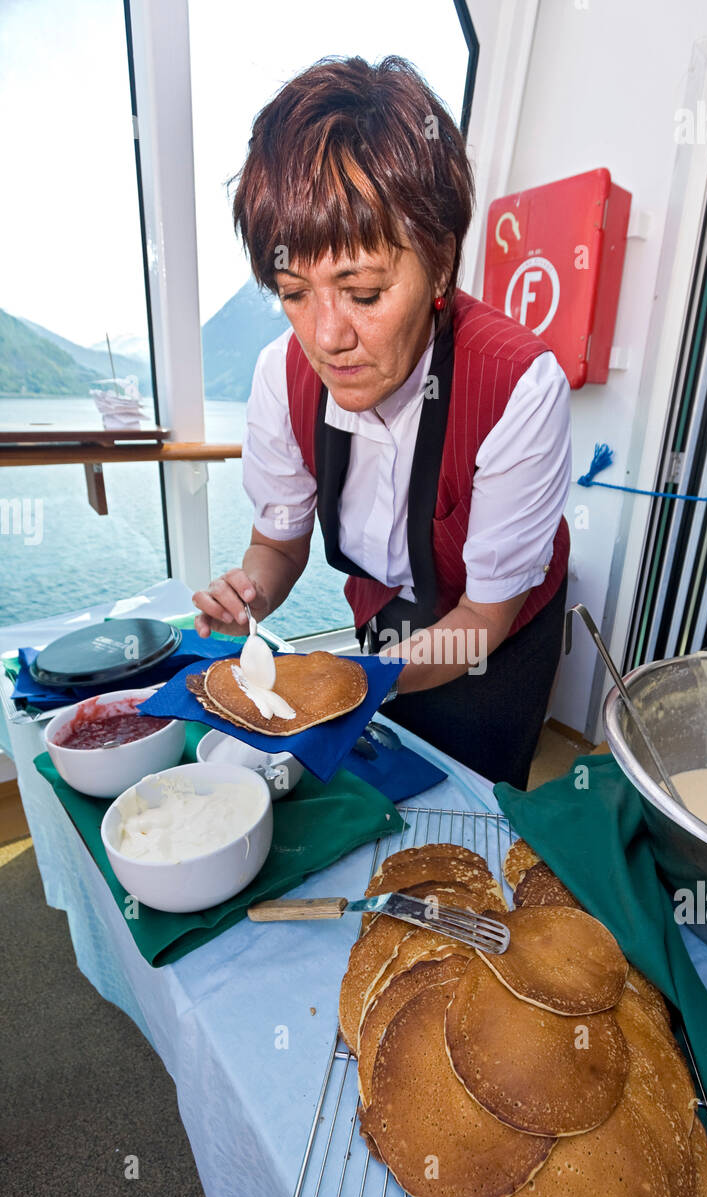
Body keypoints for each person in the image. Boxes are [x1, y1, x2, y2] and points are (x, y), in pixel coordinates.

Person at [193, 56, 571, 788]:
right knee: (381, 781)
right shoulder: (282, 373)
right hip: (386, 624)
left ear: (440, 264)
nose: (327, 336)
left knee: (471, 804)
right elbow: (277, 539)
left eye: (363, 291)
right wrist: (253, 591)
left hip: (496, 634)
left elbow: (481, 621)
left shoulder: (519, 387)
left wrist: (344, 683)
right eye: (293, 292)